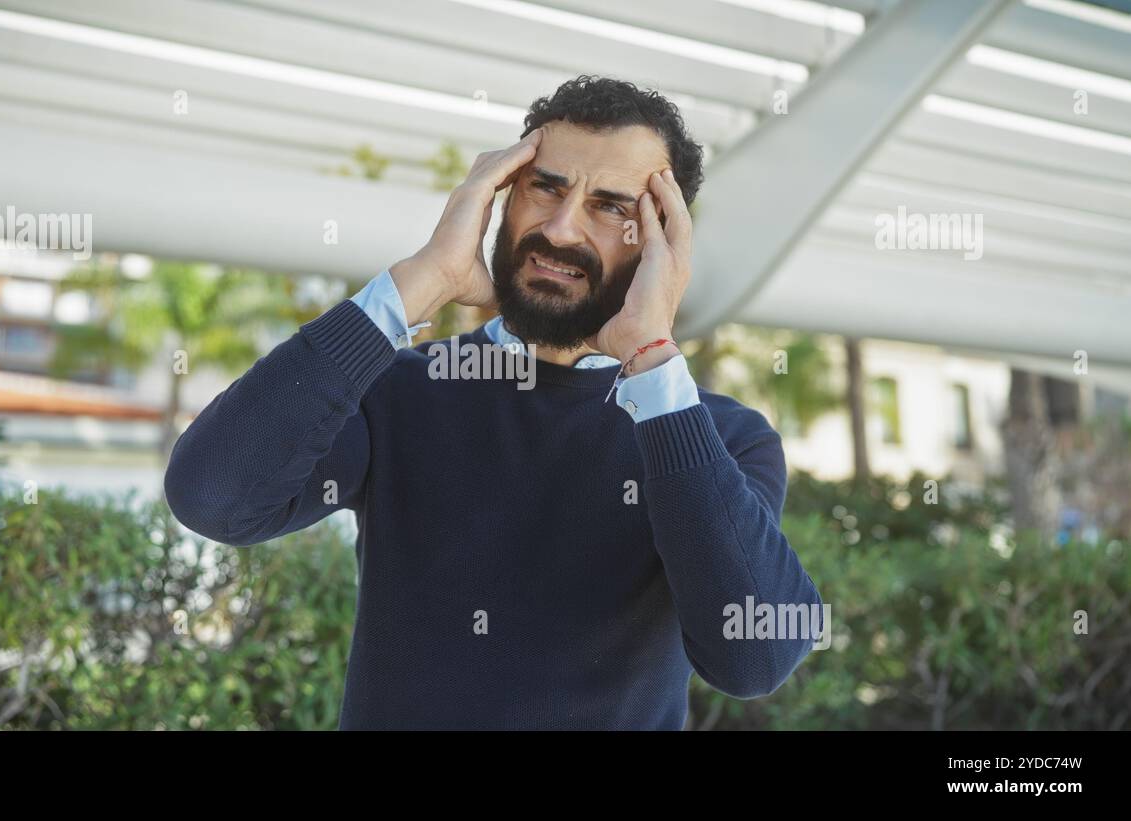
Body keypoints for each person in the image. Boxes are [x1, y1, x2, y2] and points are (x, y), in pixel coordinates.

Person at [165, 75, 822, 729]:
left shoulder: (723, 438)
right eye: (547, 187)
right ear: (502, 195)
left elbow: (754, 657)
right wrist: (423, 281)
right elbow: (214, 497)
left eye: (611, 206)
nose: (561, 229)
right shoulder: (398, 390)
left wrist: (651, 356)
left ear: (660, 241)